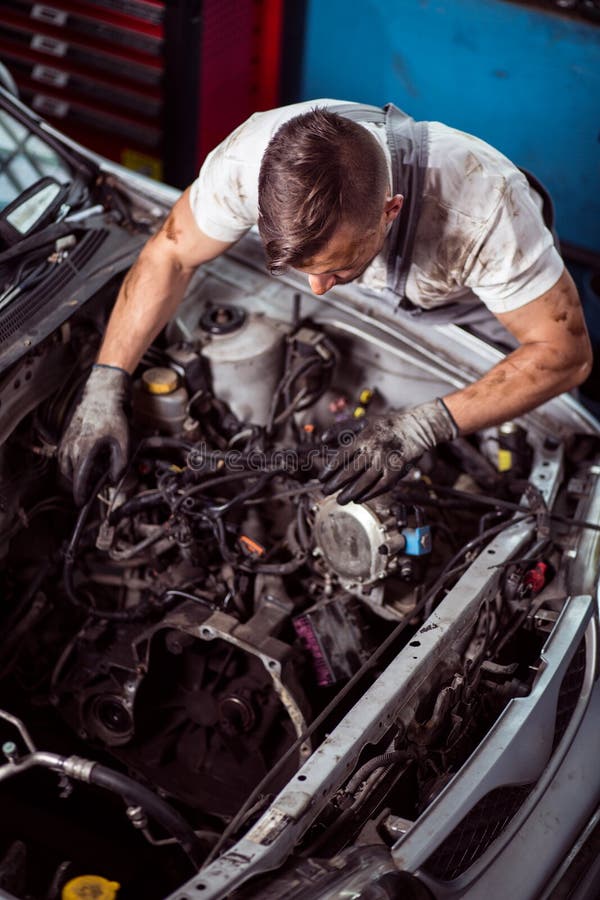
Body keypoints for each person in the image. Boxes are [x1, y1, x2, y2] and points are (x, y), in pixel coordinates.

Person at [59, 99, 592, 506]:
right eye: (302, 271)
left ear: (391, 210)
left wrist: (424, 425)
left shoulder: (484, 207)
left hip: (475, 307)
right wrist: (107, 380)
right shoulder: (247, 161)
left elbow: (563, 354)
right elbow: (171, 255)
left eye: (337, 268)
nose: (318, 290)